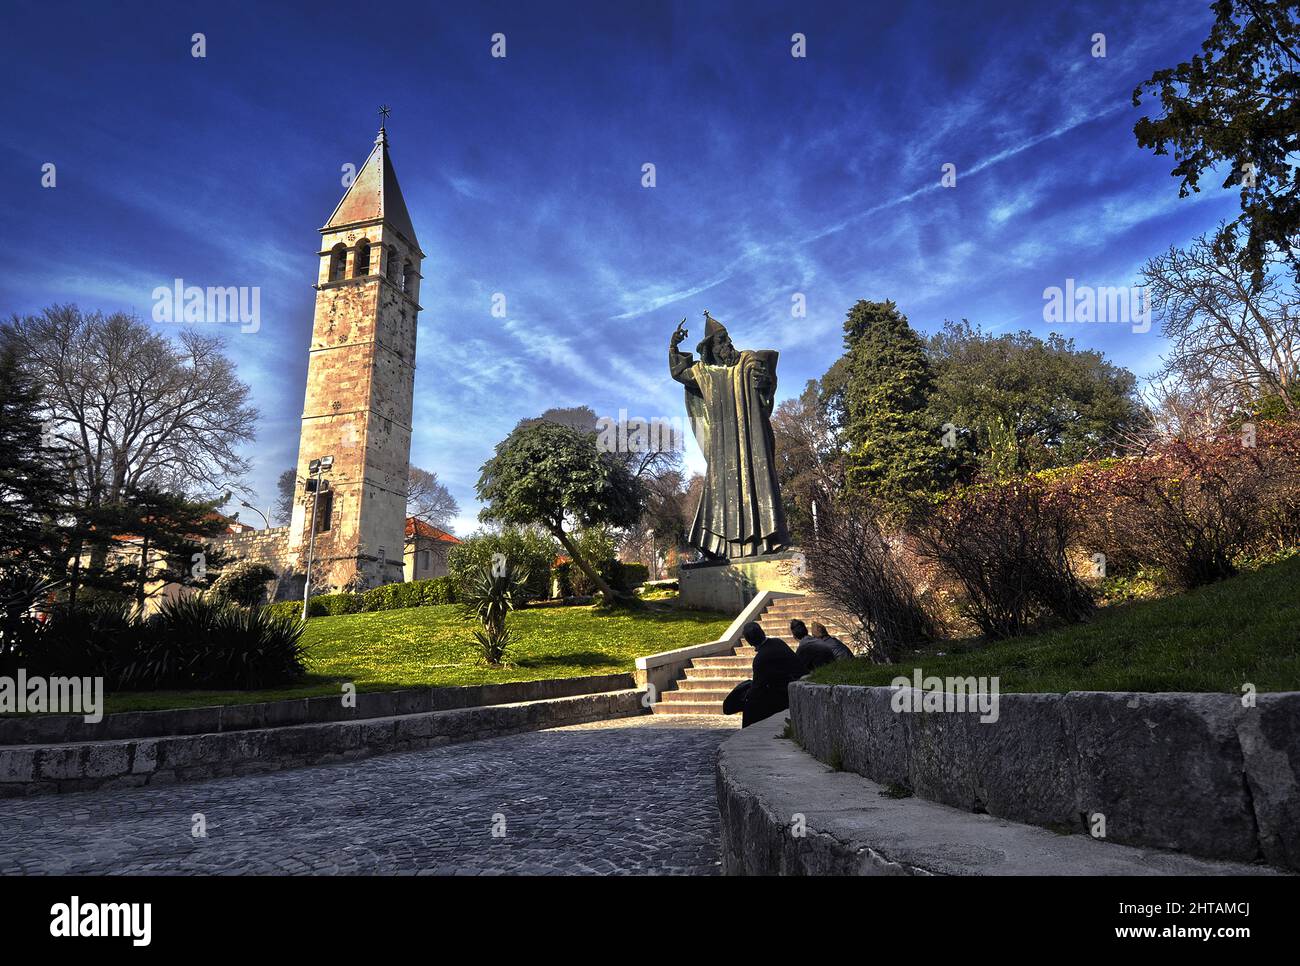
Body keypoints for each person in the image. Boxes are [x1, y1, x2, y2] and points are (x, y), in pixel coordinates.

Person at [722, 621, 806, 727]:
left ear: (749, 641)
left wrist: (745, 698)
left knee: (750, 706)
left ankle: (748, 733)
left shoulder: (761, 658)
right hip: (792, 685)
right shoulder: (778, 642)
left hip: (783, 695)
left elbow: (758, 687)